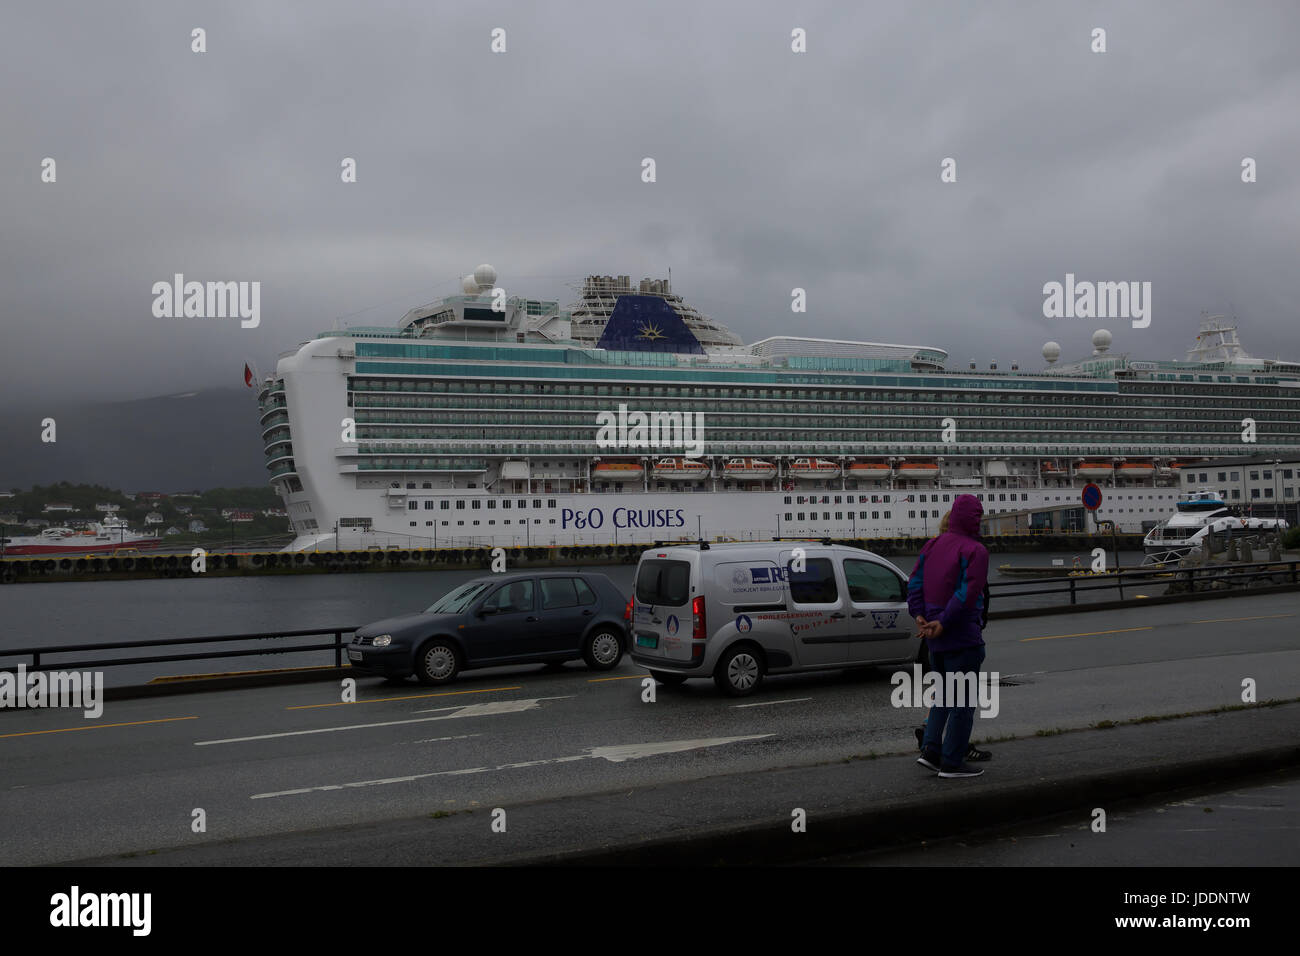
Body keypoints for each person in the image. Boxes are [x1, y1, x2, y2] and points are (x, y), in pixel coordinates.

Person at [907, 494, 990, 778]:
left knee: (942, 697)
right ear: (975, 519)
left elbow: (915, 583)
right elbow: (967, 593)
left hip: (934, 638)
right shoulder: (975, 550)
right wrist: (943, 622)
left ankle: (931, 751)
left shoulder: (931, 545)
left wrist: (920, 616)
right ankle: (953, 762)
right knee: (963, 703)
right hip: (962, 636)